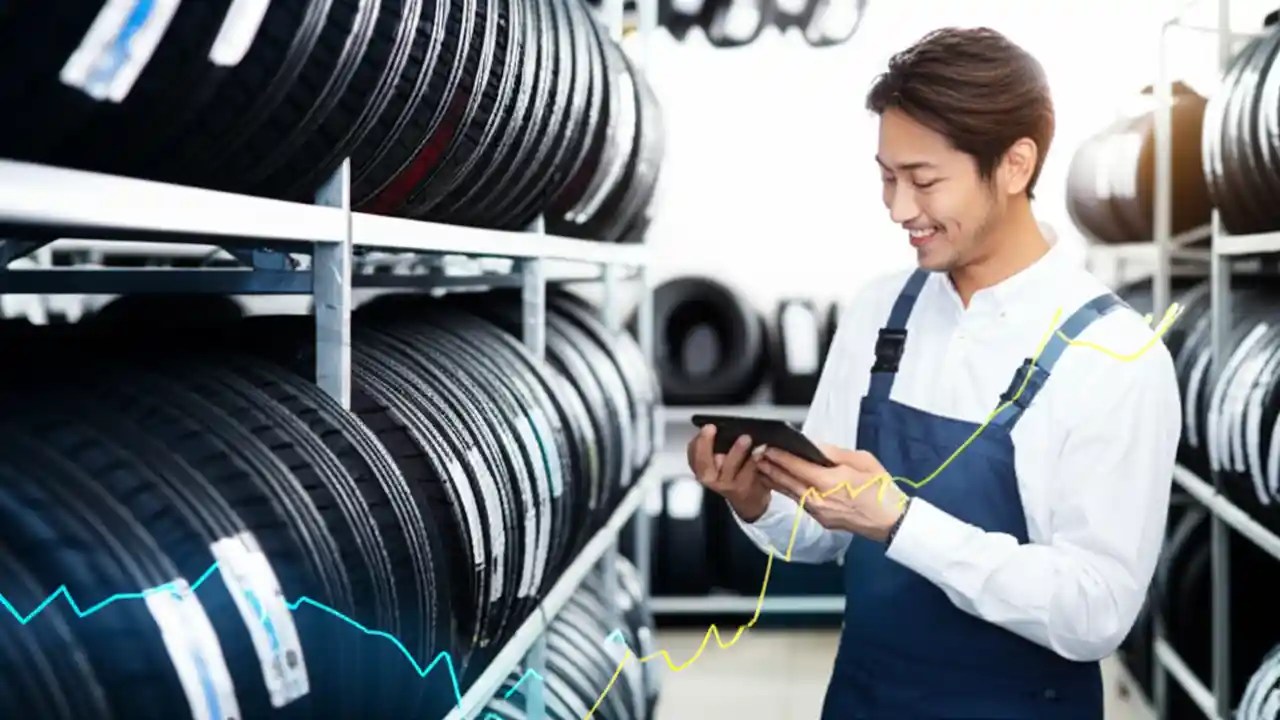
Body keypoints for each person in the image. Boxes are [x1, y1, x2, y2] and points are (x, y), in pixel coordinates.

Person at [685, 26, 1182, 719]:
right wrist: (755, 501)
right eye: (887, 177)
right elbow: (826, 536)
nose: (897, 209)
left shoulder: (1115, 357)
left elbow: (1095, 612)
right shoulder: (878, 312)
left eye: (923, 181)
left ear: (1014, 165)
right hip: (863, 699)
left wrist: (901, 524)